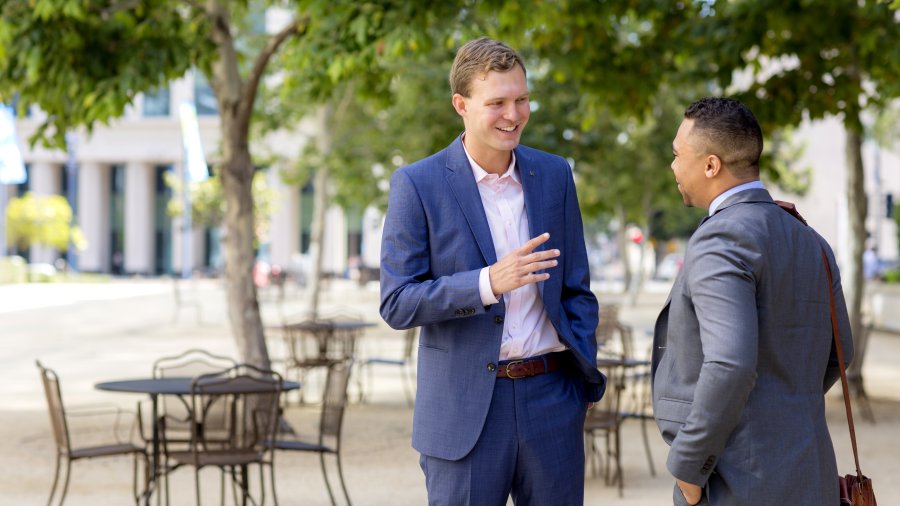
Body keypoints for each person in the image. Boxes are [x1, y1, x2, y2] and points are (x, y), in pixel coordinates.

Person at [380, 37, 605, 505]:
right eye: (497, 102)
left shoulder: (555, 174)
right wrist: (487, 283)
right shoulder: (416, 185)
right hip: (464, 414)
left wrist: (578, 382)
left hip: (552, 400)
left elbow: (577, 289)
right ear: (461, 105)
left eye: (521, 100)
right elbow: (397, 302)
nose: (514, 114)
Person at [652, 97, 854, 505]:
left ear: (711, 165)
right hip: (811, 472)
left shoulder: (720, 238)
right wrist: (786, 410)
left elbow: (729, 364)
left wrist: (690, 470)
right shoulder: (811, 241)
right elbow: (842, 352)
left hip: (736, 480)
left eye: (677, 155)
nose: (672, 166)